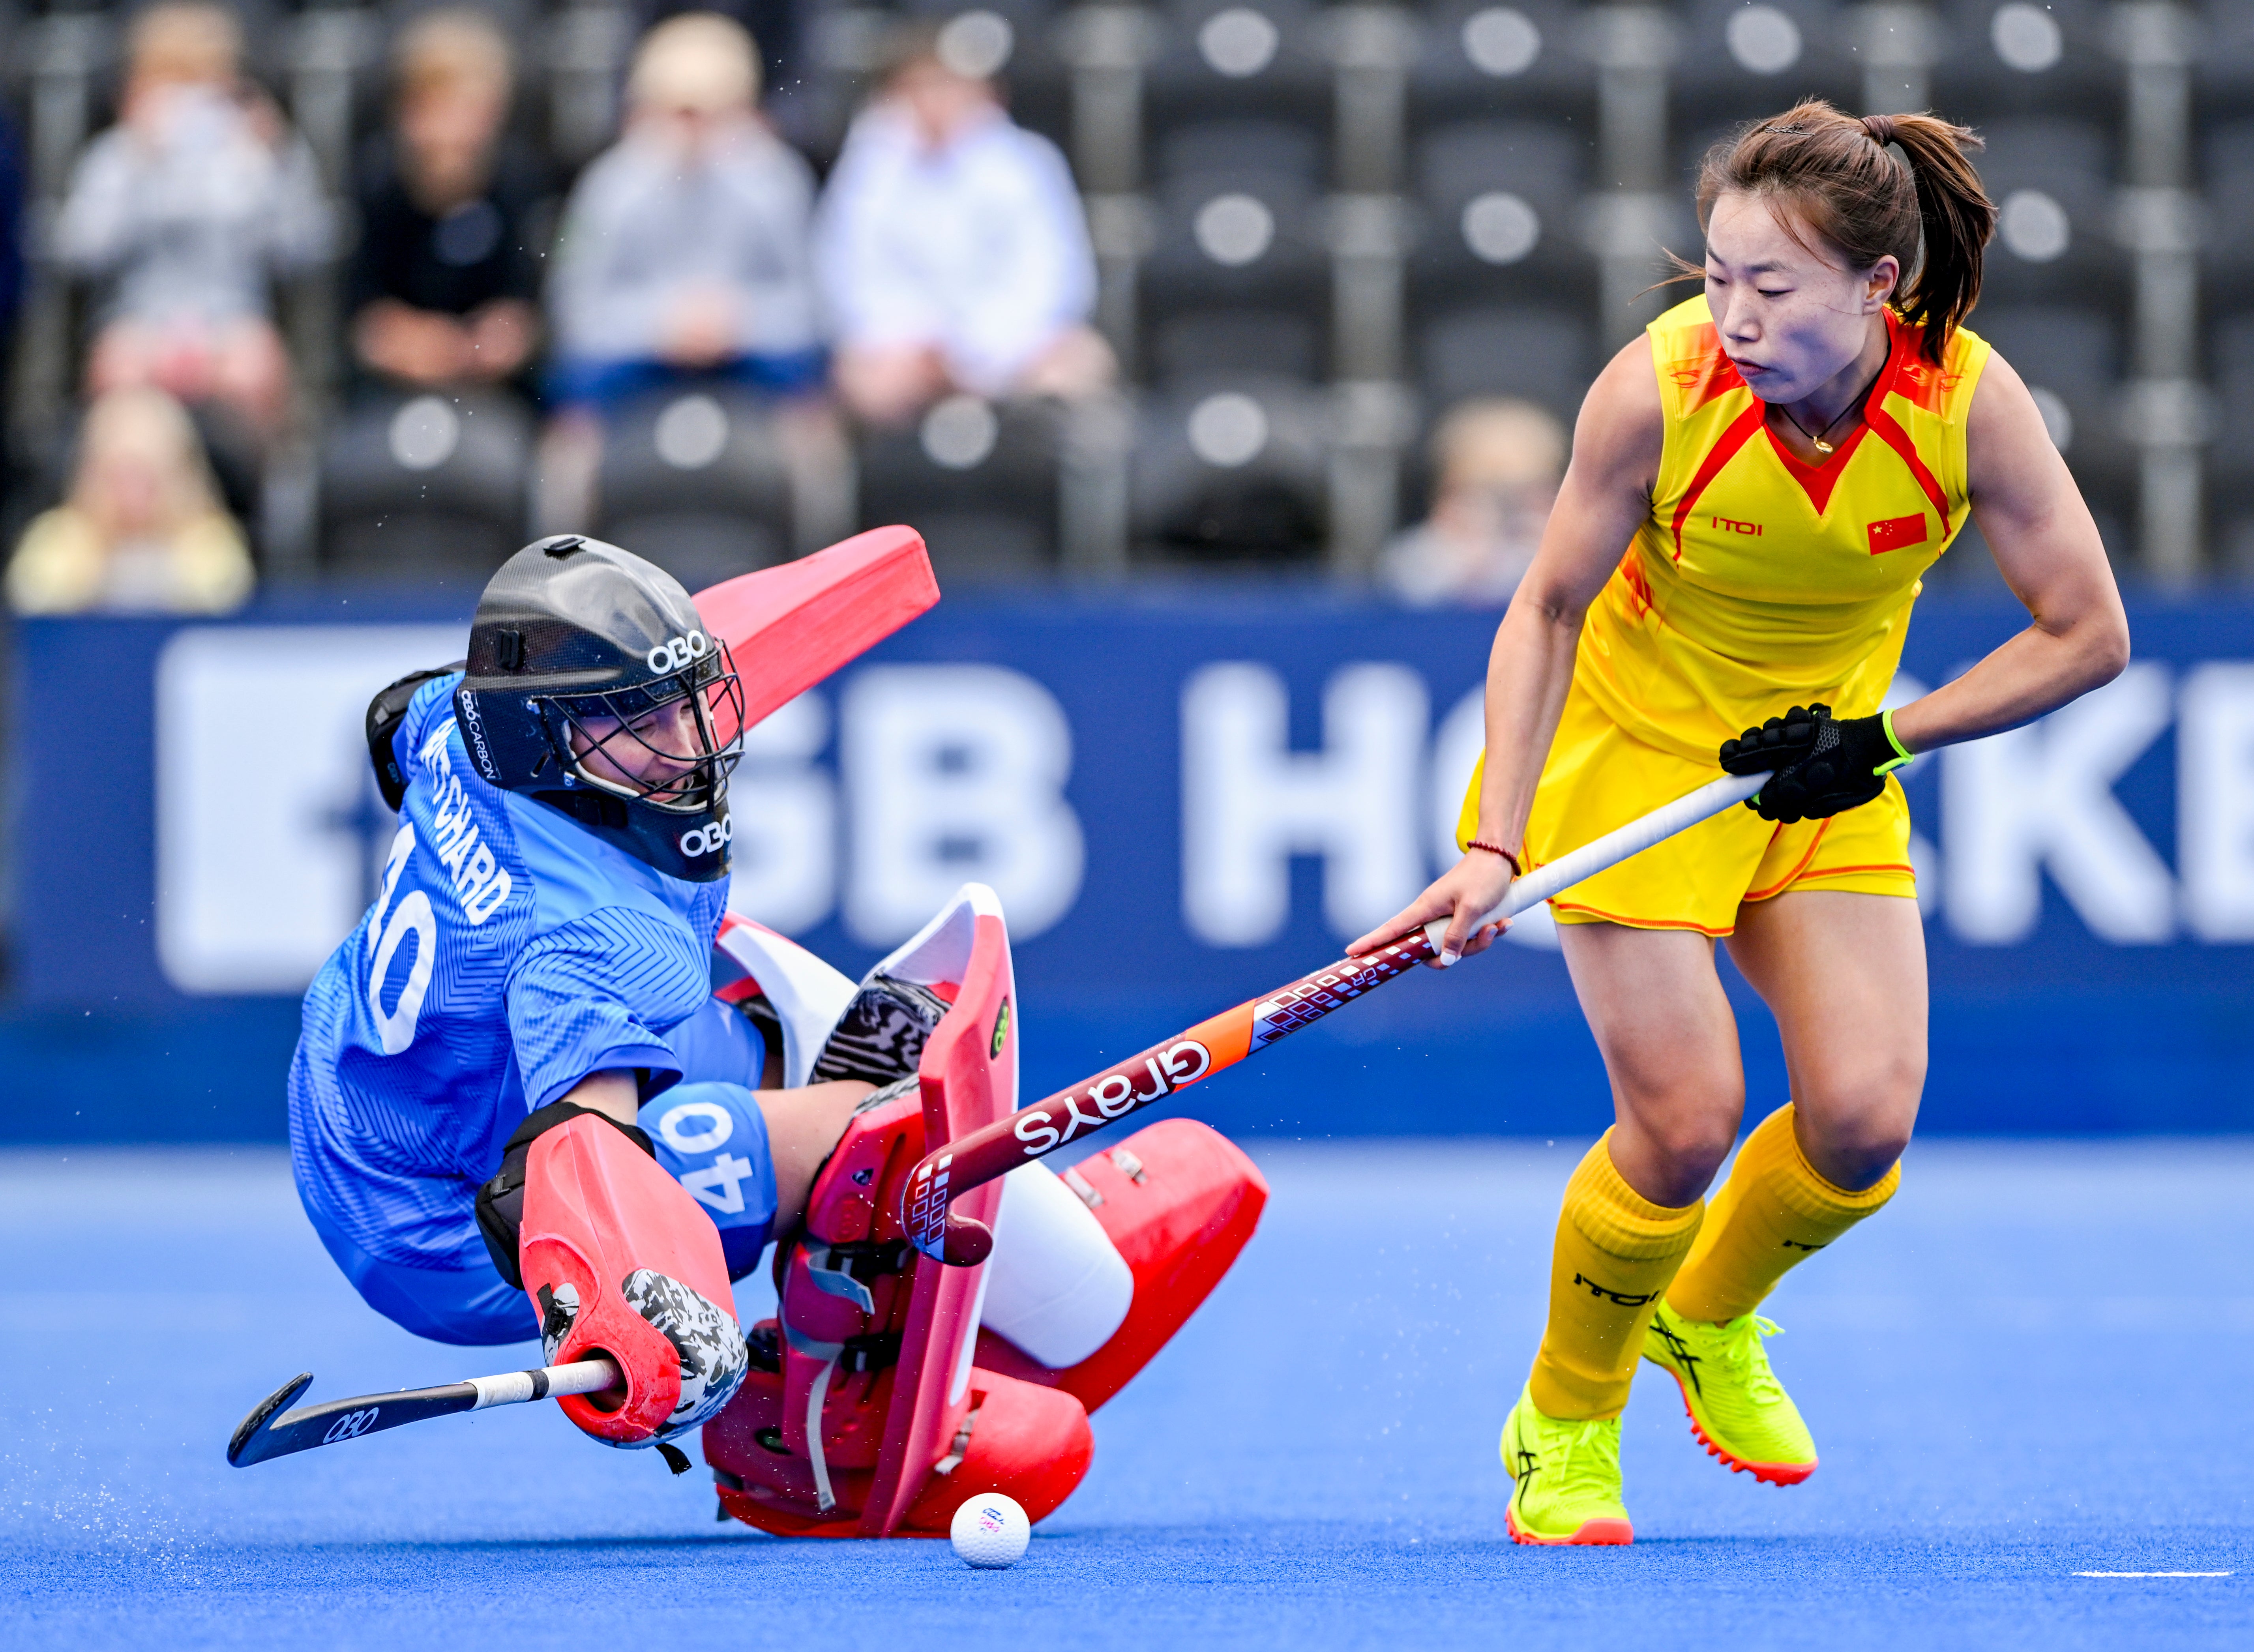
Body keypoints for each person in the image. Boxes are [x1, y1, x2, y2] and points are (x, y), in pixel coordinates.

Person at [1347, 102, 2129, 1545]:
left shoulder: (1970, 401)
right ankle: (1565, 1421)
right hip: (1638, 767)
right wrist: (1492, 845)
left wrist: (1883, 734)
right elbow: (1546, 609)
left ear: (1875, 288)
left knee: (1860, 1120)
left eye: (1770, 286)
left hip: (1820, 770)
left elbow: (2085, 634)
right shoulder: (1656, 391)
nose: (1733, 313)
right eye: (1715, 275)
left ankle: (1703, 1315)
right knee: (1688, 1117)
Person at [289, 533, 1261, 1529]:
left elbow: (390, 722)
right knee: (876, 1125)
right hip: (445, 1229)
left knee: (781, 1035)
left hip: (356, 1094)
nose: (682, 740)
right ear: (545, 741)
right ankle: (811, 1434)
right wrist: (641, 1310)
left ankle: (938, 1247)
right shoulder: (593, 937)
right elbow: (572, 1152)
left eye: (683, 701)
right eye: (634, 720)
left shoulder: (462, 729)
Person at [538, 11, 825, 530]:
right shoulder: (608, 186)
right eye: (678, 111)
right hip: (637, 354)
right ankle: (563, 552)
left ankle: (812, 543)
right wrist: (661, 324)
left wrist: (738, 320)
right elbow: (575, 308)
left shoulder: (777, 180)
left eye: (713, 111)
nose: (694, 130)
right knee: (570, 416)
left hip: (748, 351)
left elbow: (810, 306)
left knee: (814, 414)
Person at [52, 2, 331, 443]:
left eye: (201, 81)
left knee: (254, 369)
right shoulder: (116, 155)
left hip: (232, 320)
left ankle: (261, 504)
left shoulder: (257, 150)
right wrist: (136, 159)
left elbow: (305, 251)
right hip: (138, 319)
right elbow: (80, 251)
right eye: (170, 80)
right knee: (118, 369)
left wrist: (277, 158)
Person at [814, 23, 1114, 427]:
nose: (932, 101)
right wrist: (915, 344)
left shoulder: (1027, 162)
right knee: (853, 380)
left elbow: (1054, 280)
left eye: (945, 85)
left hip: (1010, 345)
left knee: (1077, 365)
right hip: (905, 353)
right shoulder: (870, 166)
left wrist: (976, 351)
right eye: (916, 87)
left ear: (983, 93)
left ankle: (1047, 483)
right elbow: (849, 277)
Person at [348, 8, 544, 397]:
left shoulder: (520, 182)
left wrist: (499, 338)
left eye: (469, 110)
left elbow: (529, 303)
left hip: (498, 387)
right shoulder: (376, 185)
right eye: (438, 108)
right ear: (407, 112)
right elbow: (360, 311)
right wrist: (412, 342)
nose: (453, 129)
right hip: (391, 387)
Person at [7, 386, 253, 615]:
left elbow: (224, 600)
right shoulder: (61, 535)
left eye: (147, 477)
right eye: (119, 476)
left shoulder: (210, 538)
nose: (133, 492)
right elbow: (33, 602)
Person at [1379, 398, 1566, 606]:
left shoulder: (1572, 557)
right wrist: (1474, 561)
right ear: (1446, 493)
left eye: (1527, 495)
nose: (1503, 515)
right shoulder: (1418, 556)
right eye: (1480, 496)